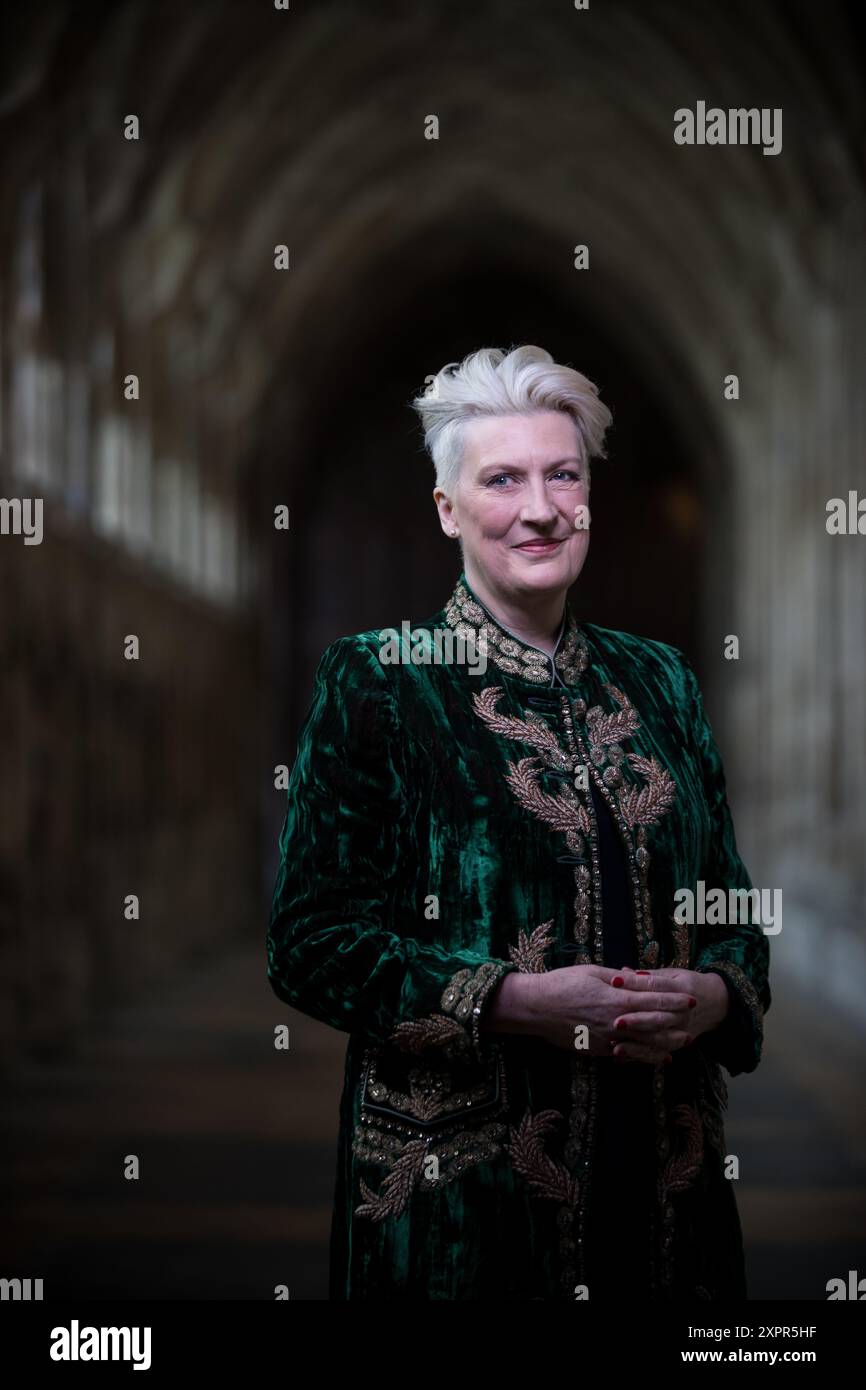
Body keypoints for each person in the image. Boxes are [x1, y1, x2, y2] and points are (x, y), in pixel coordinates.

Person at [267, 344, 771, 1301]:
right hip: (462, 1207)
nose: (539, 508)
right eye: (502, 479)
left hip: (669, 1182)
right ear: (449, 509)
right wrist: (514, 1001)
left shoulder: (660, 681)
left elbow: (732, 910)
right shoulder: (377, 679)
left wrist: (716, 995)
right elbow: (308, 945)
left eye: (562, 475)